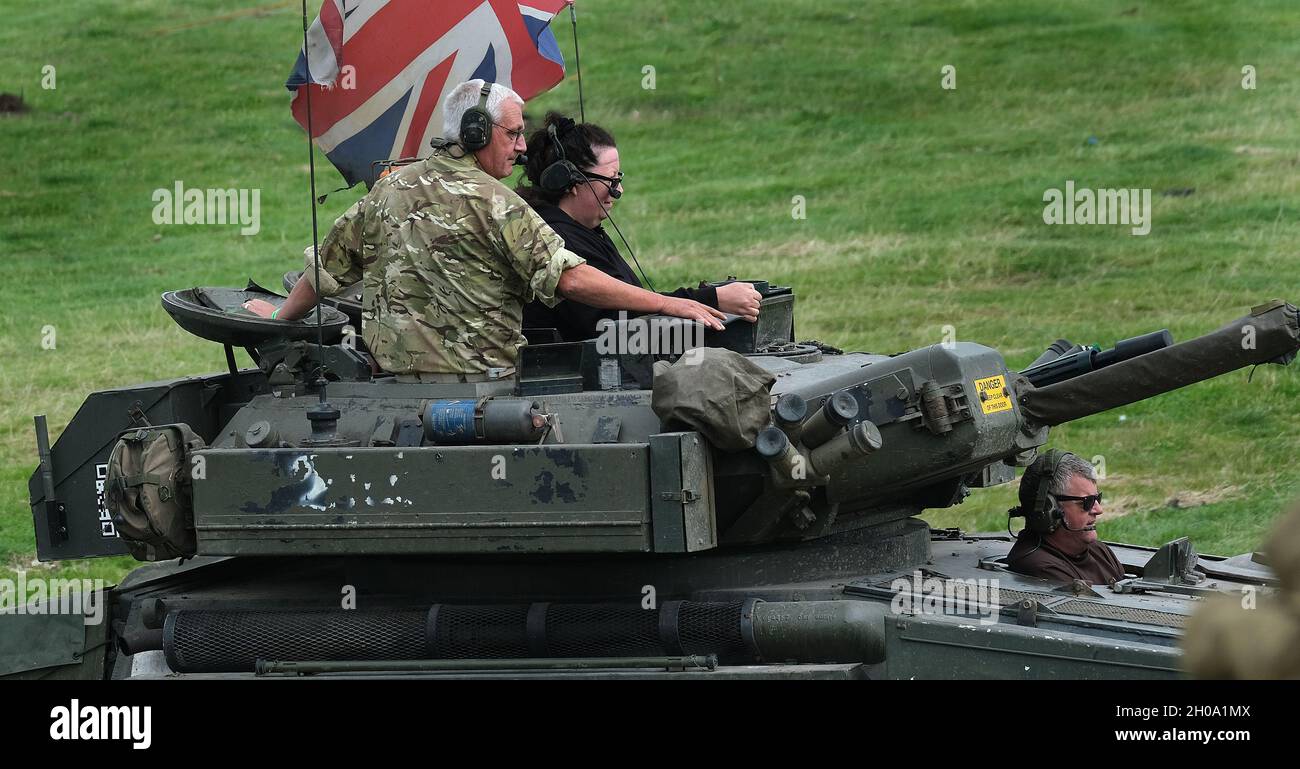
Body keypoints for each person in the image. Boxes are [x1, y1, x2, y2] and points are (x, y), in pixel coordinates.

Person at [245, 80, 724, 380]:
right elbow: (571, 279)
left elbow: (324, 271)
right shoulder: (499, 205)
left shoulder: (386, 190)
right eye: (513, 133)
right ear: (476, 133)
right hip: (483, 390)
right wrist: (670, 303)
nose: (520, 148)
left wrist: (279, 321)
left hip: (390, 390)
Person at [516, 113, 761, 342]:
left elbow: (632, 302)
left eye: (618, 180)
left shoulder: (582, 231)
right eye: (610, 181)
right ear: (571, 182)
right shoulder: (558, 240)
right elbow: (611, 326)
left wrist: (707, 300)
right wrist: (712, 300)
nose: (618, 190)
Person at [1006, 450, 1125, 585]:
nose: (1099, 510)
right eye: (1087, 501)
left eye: (1097, 498)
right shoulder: (1041, 568)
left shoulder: (1098, 551)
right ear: (1048, 509)